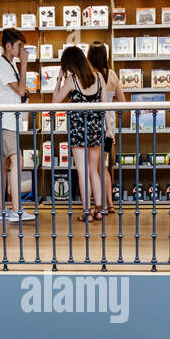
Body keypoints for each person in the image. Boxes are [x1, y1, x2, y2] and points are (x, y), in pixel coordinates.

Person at [51, 45, 107, 222]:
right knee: (94, 171)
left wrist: (59, 79)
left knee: (82, 171)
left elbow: (55, 101)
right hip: (96, 129)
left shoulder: (72, 80)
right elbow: (106, 106)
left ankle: (86, 211)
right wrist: (108, 130)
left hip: (77, 129)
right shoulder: (99, 77)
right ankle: (99, 210)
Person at [0, 28, 34, 222]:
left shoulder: (8, 64)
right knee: (18, 160)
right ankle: (17, 210)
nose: (22, 50)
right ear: (8, 46)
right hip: (6, 119)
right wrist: (24, 64)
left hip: (7, 119)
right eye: (19, 46)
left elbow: (20, 92)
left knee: (4, 164)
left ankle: (0, 209)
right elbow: (21, 89)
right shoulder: (2, 63)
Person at [86, 41, 123, 215]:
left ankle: (98, 204)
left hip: (93, 123)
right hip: (110, 125)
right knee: (103, 166)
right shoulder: (113, 75)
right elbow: (122, 102)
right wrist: (110, 102)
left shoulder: (89, 75)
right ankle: (109, 204)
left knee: (93, 167)